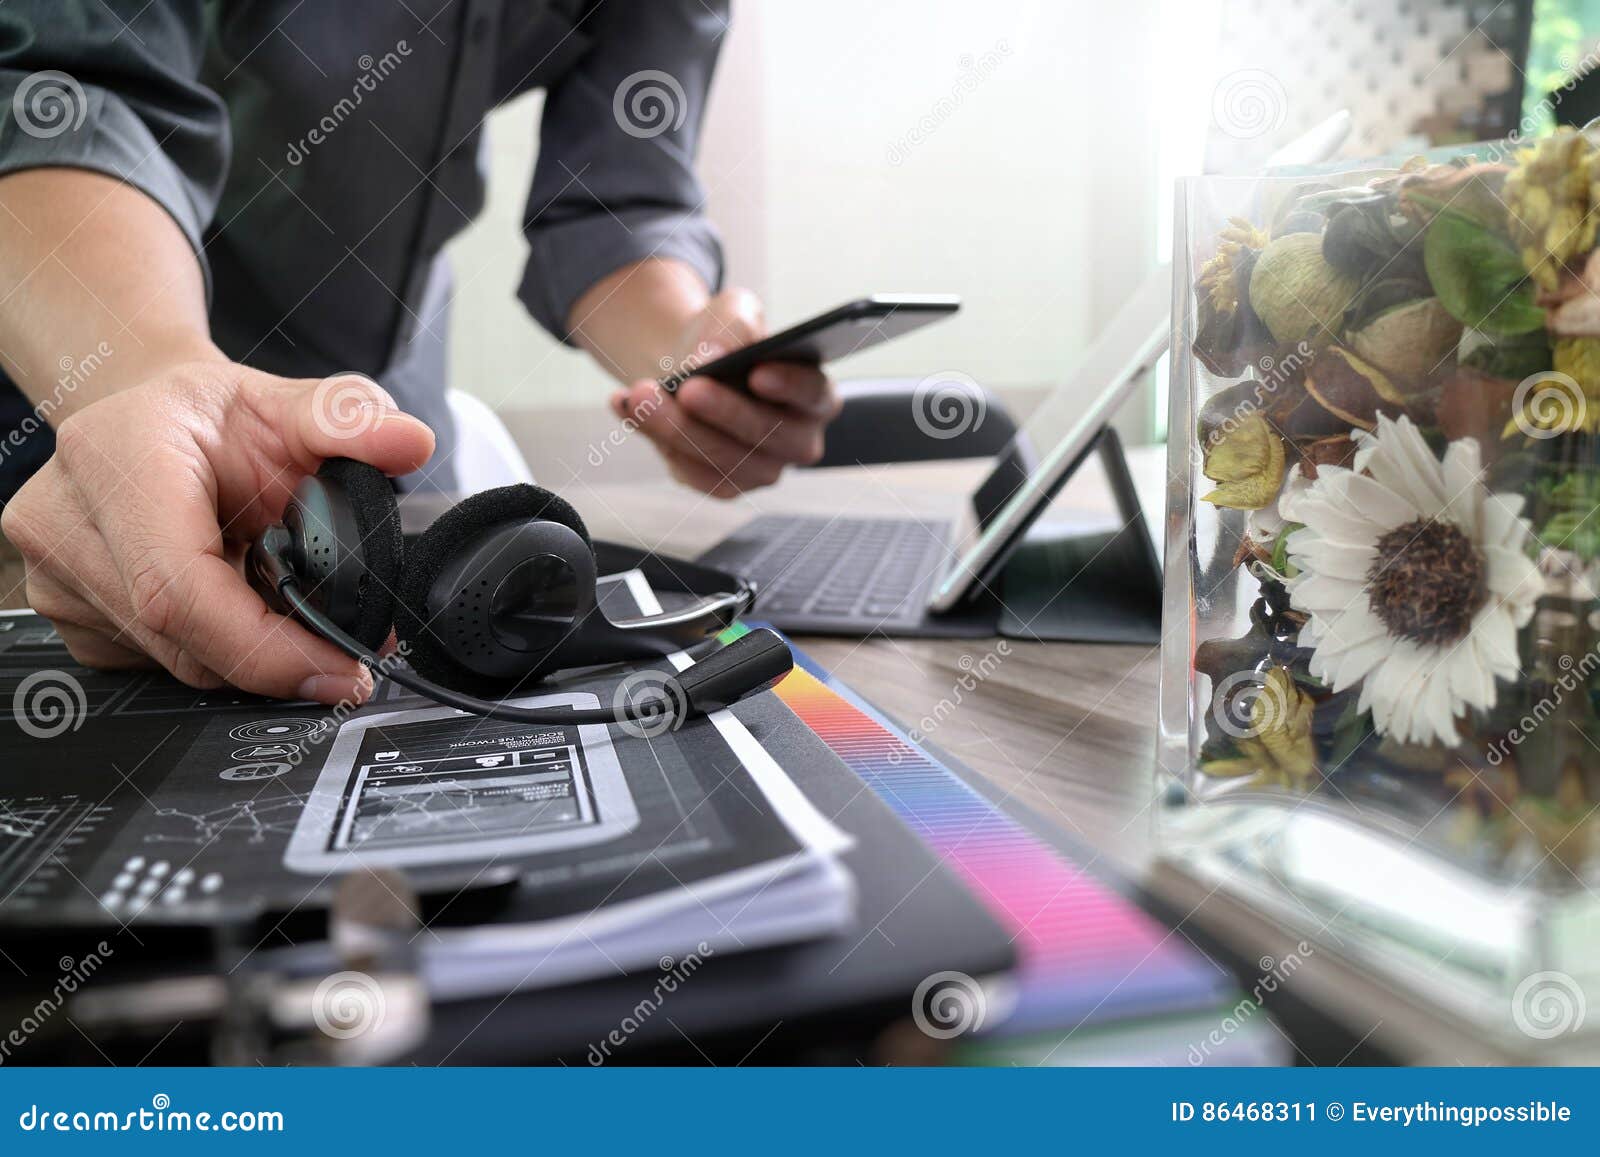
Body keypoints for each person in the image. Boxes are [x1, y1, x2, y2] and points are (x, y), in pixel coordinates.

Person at [0, 1, 838, 707]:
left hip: (385, 418)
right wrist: (147, 379)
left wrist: (686, 355)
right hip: (92, 377)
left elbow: (618, 204)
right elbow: (65, 89)